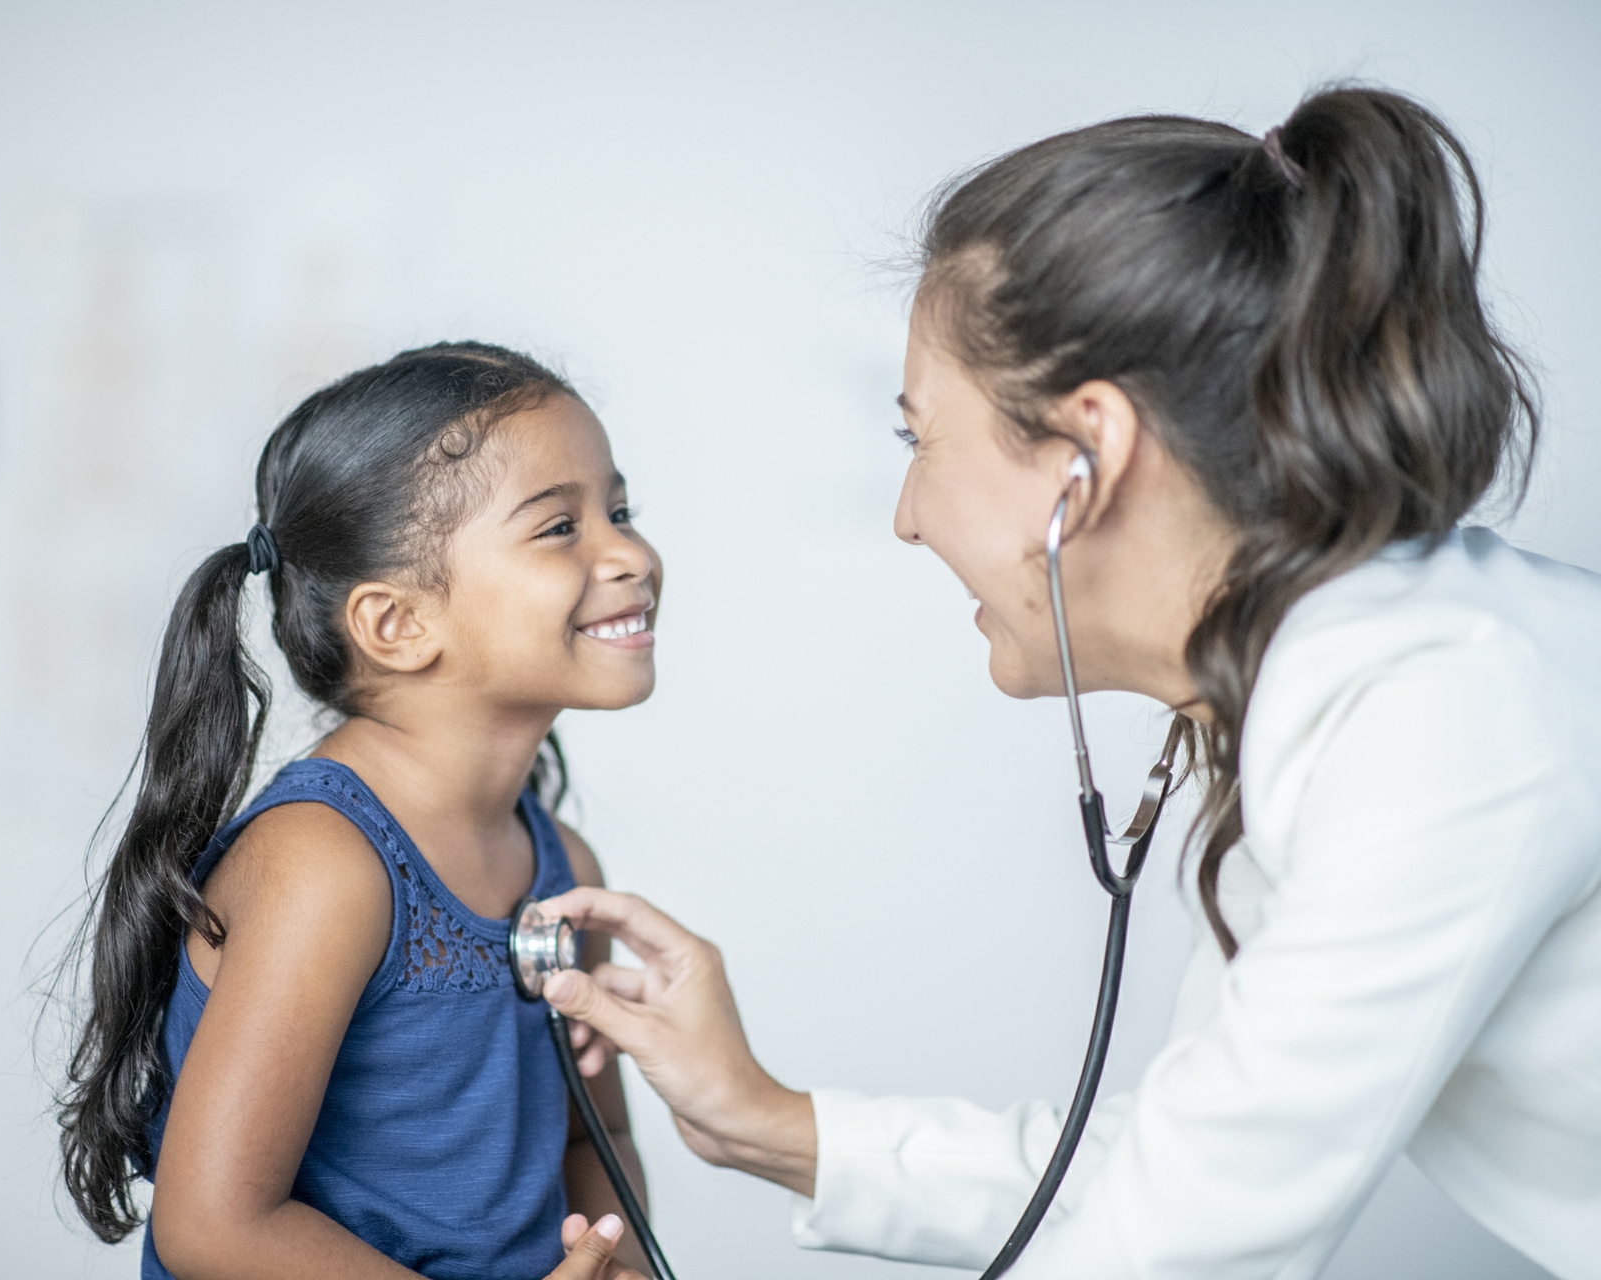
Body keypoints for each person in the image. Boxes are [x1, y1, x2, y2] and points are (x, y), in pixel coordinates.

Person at [538, 87, 1601, 1279]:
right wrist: (761, 1116)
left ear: (1085, 455)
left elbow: (1175, 1246)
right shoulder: (1343, 686)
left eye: (917, 438)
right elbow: (1176, 1164)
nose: (905, 517)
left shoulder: (1445, 713)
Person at [56, 343, 660, 1280]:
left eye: (620, 512)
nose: (631, 553)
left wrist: (613, 1261)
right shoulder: (324, 865)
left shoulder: (565, 870)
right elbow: (215, 1226)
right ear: (397, 624)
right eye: (560, 528)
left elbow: (596, 1138)